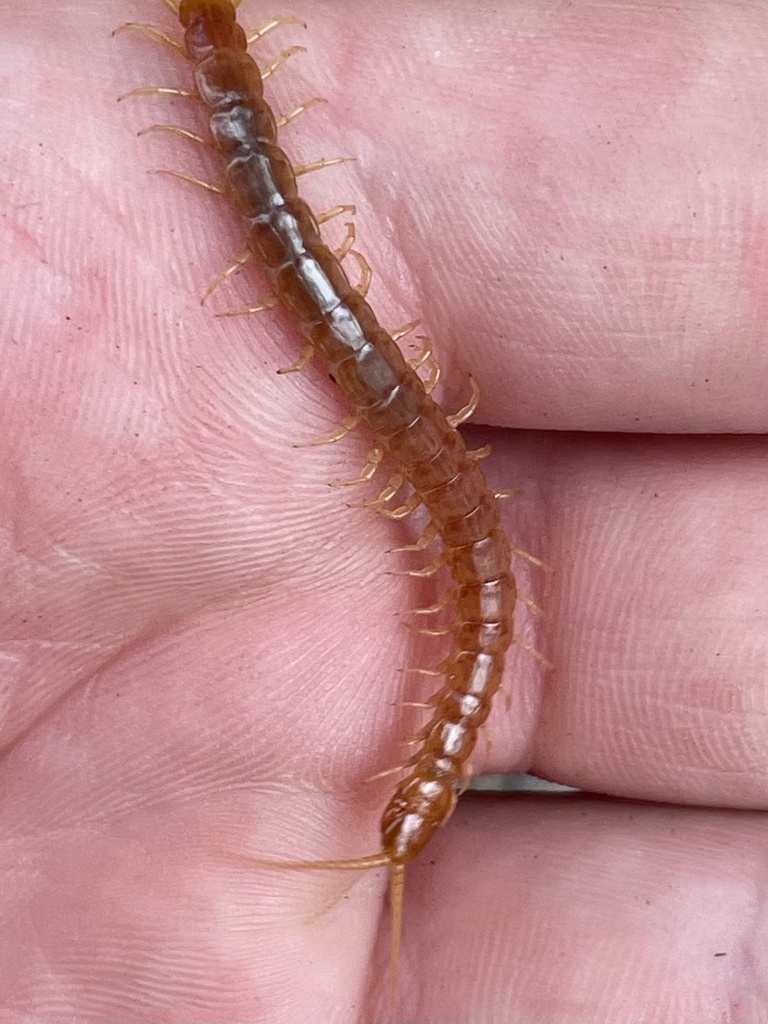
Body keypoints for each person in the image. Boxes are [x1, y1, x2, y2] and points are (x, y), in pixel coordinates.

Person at [2, 0, 767, 1020]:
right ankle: (211, 37)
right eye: (418, 793)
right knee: (276, 229)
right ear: (430, 771)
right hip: (251, 157)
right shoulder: (479, 609)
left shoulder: (476, 622)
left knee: (295, 261)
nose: (408, 790)